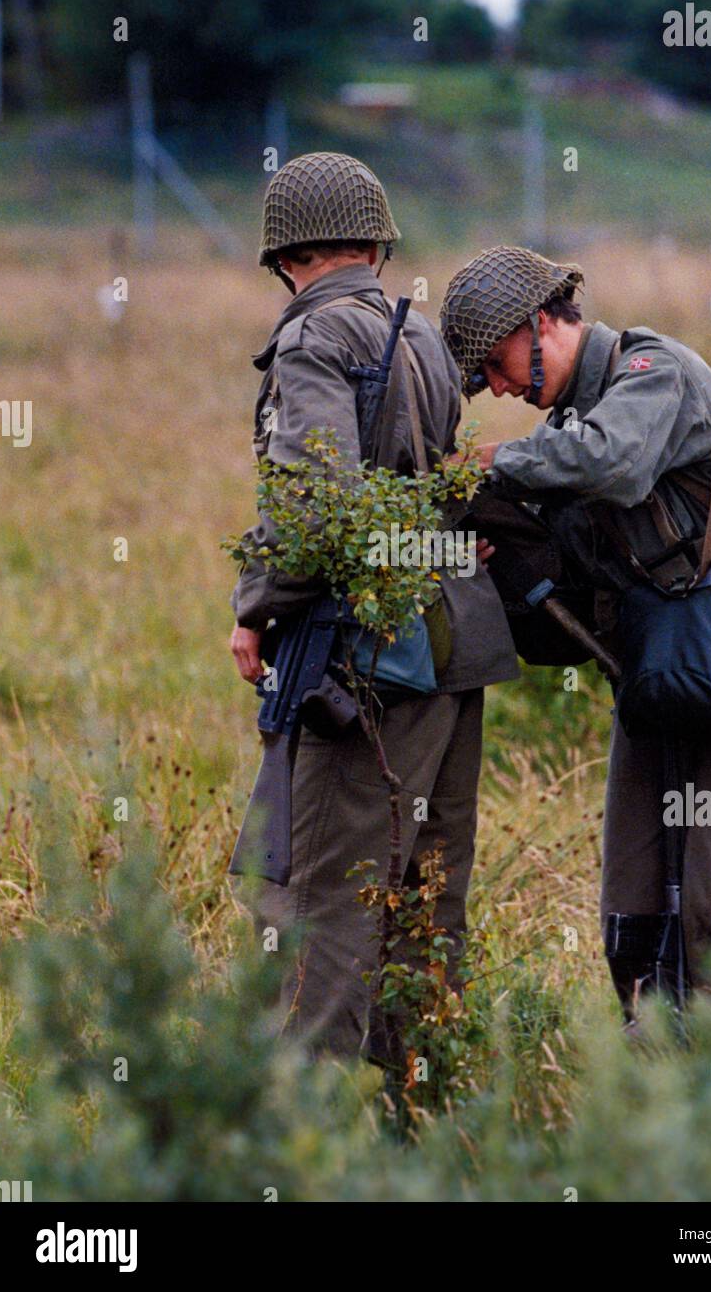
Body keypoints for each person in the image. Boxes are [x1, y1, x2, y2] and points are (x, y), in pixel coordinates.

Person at [440, 244, 711, 1022]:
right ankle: (655, 1097)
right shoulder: (569, 428)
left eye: (498, 363)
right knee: (636, 902)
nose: (503, 387)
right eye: (485, 379)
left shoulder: (651, 373)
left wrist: (489, 463)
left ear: (541, 322)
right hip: (661, 668)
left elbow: (612, 464)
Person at [229, 154, 518, 1059]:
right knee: (424, 900)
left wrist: (256, 604)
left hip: (360, 658)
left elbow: (314, 507)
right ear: (375, 242)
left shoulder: (314, 339)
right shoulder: (421, 335)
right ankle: (420, 1115)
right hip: (448, 645)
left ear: (286, 256)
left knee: (314, 906)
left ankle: (307, 1144)